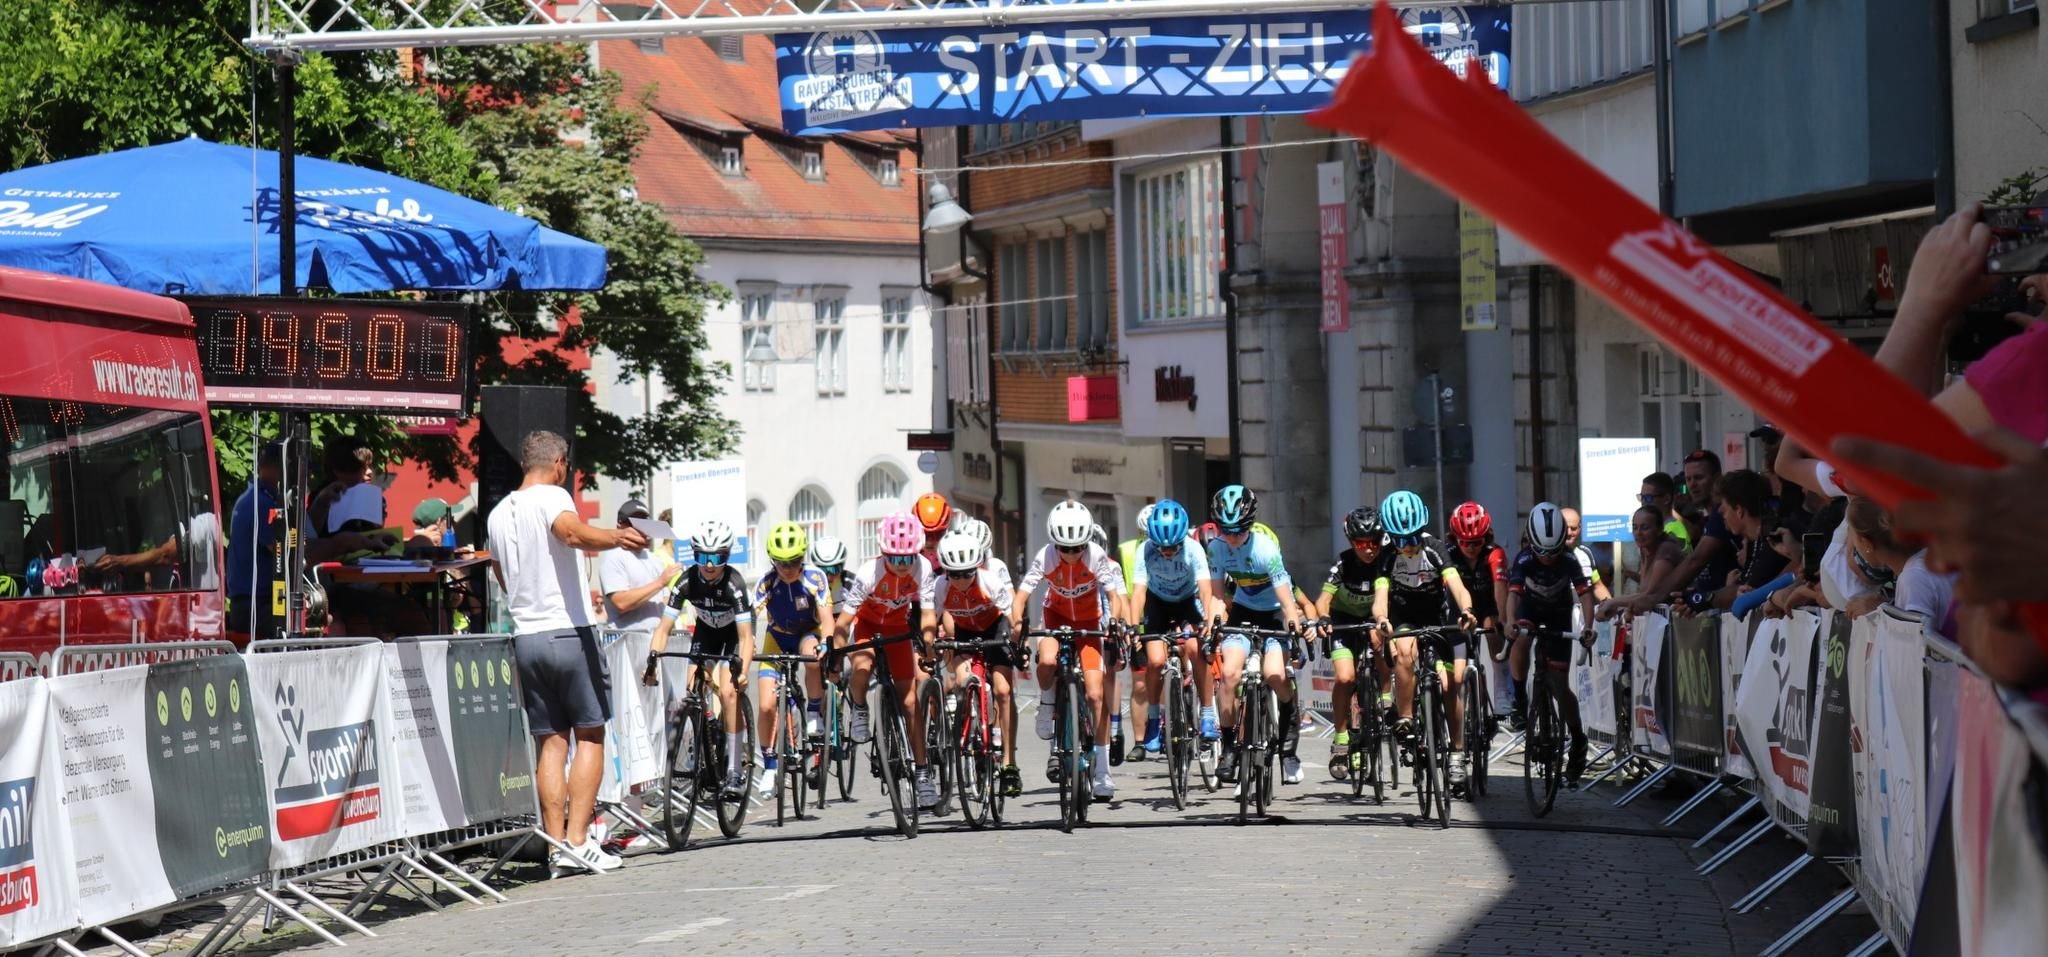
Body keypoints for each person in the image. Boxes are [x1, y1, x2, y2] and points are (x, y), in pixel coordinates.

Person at [487, 430, 647, 877]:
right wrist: (616, 538)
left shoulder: (499, 513)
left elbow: (500, 571)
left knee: (550, 743)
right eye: (566, 465)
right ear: (558, 462)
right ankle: (579, 840)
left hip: (527, 635)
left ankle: (556, 847)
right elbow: (569, 532)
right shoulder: (553, 497)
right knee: (590, 735)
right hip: (568, 632)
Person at [1011, 500, 1126, 799]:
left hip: (1089, 623)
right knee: (1047, 662)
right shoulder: (1046, 556)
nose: (1072, 555)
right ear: (1055, 544)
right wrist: (1017, 624)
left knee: (1095, 693)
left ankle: (1102, 769)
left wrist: (1115, 621)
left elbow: (1114, 596)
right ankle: (1047, 702)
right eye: (1065, 548)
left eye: (1078, 548)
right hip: (1055, 617)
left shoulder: (1097, 556)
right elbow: (1022, 595)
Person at [1371, 490, 1479, 790]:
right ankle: (1405, 715)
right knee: (1404, 651)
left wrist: (1467, 609)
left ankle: (1457, 753)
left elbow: (1457, 586)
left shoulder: (1434, 548)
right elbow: (1380, 598)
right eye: (1400, 539)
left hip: (1438, 615)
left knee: (1449, 685)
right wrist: (1381, 619)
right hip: (1405, 614)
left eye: (1412, 538)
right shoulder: (1388, 555)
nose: (1407, 546)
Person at [833, 511, 942, 808]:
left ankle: (922, 773)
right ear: (884, 554)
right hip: (868, 625)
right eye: (897, 559)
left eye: (909, 558)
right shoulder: (870, 572)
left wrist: (929, 640)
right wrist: (839, 648)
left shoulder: (922, 568)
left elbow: (929, 614)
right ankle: (859, 708)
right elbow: (844, 621)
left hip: (897, 628)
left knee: (910, 704)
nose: (903, 565)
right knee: (862, 666)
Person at [1204, 484, 1309, 786]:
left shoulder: (1265, 548)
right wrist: (1213, 625)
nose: (1233, 538)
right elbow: (1216, 597)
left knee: (1275, 674)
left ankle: (1288, 748)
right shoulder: (1216, 548)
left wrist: (1294, 629)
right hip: (1243, 611)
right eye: (1227, 530)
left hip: (1274, 614)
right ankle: (1228, 747)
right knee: (1229, 675)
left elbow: (1287, 600)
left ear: (1250, 525)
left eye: (1238, 531)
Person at [643, 519, 756, 799]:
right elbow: (664, 627)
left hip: (733, 635)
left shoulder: (734, 584)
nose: (708, 565)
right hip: (706, 632)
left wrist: (743, 670)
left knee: (730, 693)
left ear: (725, 557)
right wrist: (652, 660)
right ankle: (702, 739)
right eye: (702, 557)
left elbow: (746, 638)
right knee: (690, 686)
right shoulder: (685, 582)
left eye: (715, 558)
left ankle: (733, 770)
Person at [1503, 502, 1598, 783]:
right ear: (1532, 543)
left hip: (1558, 616)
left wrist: (1589, 627)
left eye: (1553, 551)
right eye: (1541, 550)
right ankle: (1520, 698)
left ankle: (1577, 737)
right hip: (1530, 611)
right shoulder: (1523, 559)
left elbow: (1585, 594)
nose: (1547, 557)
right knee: (1521, 637)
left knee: (1558, 683)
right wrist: (1509, 621)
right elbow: (1513, 594)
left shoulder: (1569, 560)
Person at [1125, 499, 1219, 761]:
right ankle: (1154, 718)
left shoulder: (1193, 549)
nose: (1167, 552)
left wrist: (1210, 622)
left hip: (1188, 602)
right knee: (1154, 662)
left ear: (1182, 539)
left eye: (1172, 547)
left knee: (1194, 648)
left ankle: (1208, 714)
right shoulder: (1146, 550)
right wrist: (1134, 628)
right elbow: (1139, 594)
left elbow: (1206, 590)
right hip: (1159, 604)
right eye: (1161, 547)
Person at [932, 527, 1023, 797]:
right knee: (961, 680)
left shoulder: (990, 582)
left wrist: (1018, 643)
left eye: (967, 573)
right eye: (954, 574)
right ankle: (969, 728)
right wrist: (928, 642)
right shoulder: (940, 586)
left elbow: (1012, 618)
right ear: (945, 572)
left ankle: (1009, 763)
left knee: (1003, 691)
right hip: (965, 632)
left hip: (995, 630)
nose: (960, 581)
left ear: (977, 567)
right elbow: (931, 618)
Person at [753, 522, 832, 780]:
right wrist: (748, 643)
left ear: (803, 557)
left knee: (811, 654)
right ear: (772, 561)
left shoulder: (815, 578)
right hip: (777, 638)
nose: (787, 569)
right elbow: (749, 618)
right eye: (781, 563)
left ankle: (813, 711)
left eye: (794, 562)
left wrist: (827, 642)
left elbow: (826, 618)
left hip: (807, 633)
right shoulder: (766, 583)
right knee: (765, 706)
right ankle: (769, 765)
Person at [1318, 506, 1389, 779]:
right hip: (1344, 624)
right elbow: (1324, 598)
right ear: (1352, 542)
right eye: (1361, 543)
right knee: (1346, 679)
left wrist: (1381, 625)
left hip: (1373, 621)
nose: (1369, 549)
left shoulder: (1386, 561)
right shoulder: (1344, 563)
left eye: (1373, 542)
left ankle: (1384, 700)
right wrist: (1323, 616)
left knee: (1383, 647)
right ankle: (1341, 738)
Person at [1841, 497, 1955, 634]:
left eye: (1852, 537)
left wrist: (1879, 614)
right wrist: (1884, 606)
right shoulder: (1924, 562)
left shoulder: (1914, 577)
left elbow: (1916, 644)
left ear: (1866, 544)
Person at [226, 442, 285, 639]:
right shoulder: (260, 504)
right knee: (306, 620)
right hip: (254, 606)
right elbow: (284, 552)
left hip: (254, 603)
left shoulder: (253, 497)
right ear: (272, 468)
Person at [598, 499, 675, 634]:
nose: (639, 527)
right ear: (619, 525)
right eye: (632, 522)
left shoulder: (654, 559)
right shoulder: (612, 556)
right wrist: (660, 582)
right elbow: (621, 603)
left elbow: (665, 600)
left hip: (656, 640)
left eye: (643, 522)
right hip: (628, 641)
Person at [1597, 507, 1686, 621]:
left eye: (1645, 528)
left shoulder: (1666, 549)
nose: (1638, 533)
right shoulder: (1645, 550)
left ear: (1659, 530)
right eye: (1635, 527)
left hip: (1679, 622)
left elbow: (1650, 597)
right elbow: (1643, 595)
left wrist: (1613, 602)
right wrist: (1624, 611)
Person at [1557, 507, 1613, 605]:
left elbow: (1597, 586)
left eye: (1573, 529)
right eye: (1564, 528)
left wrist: (1611, 605)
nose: (1569, 533)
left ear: (1580, 528)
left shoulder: (1586, 553)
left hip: (1582, 616)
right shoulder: (1546, 556)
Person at [1639, 472, 1694, 552]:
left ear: (1666, 499)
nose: (1643, 502)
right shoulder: (1661, 528)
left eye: (1648, 498)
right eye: (1642, 497)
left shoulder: (1674, 531)